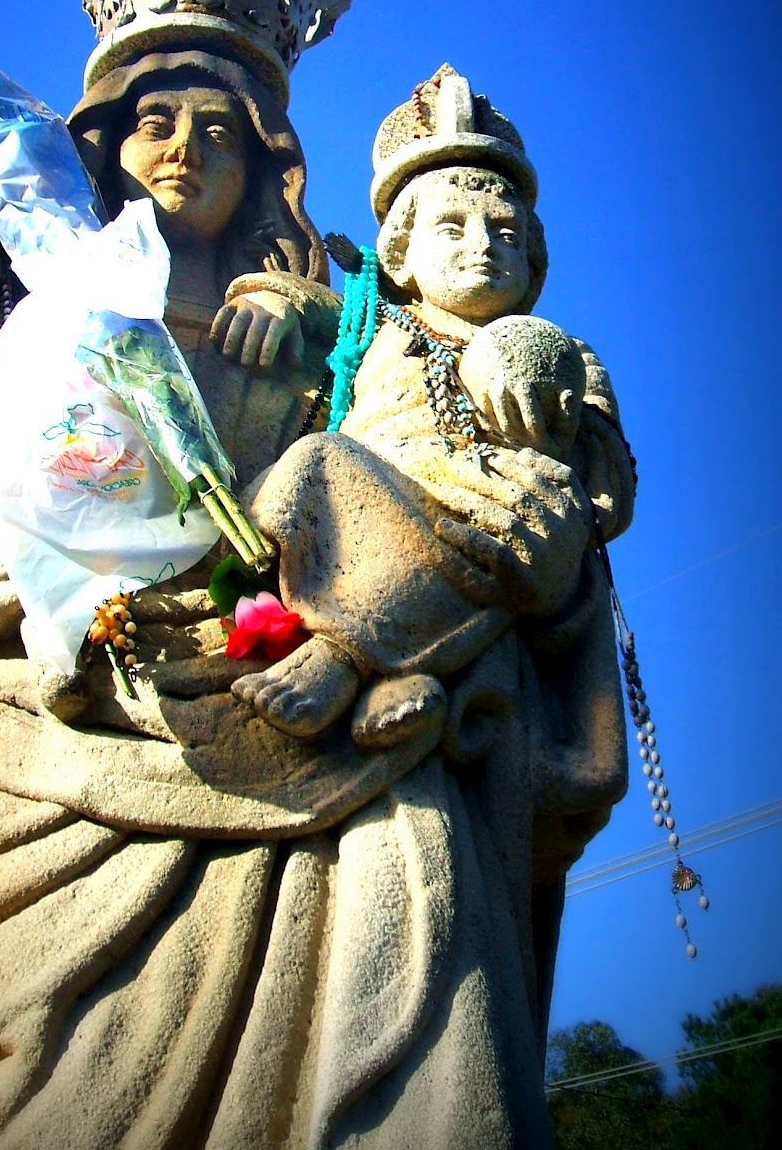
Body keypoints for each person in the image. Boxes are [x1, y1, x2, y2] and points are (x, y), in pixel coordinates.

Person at [0, 49, 630, 1150]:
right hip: (33, 801)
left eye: (220, 128)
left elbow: (488, 523)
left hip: (331, 775)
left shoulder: (342, 352)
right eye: (152, 120)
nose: (184, 146)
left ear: (270, 165)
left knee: (417, 860)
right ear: (95, 149)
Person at [233, 139, 629, 751]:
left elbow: (610, 489)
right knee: (313, 466)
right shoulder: (374, 320)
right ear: (401, 256)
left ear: (532, 259)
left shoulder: (569, 353)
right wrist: (270, 298)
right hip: (371, 496)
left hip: (495, 513)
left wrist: (538, 367)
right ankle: (396, 681)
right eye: (452, 227)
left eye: (505, 233)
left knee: (520, 525)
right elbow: (308, 307)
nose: (482, 246)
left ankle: (342, 658)